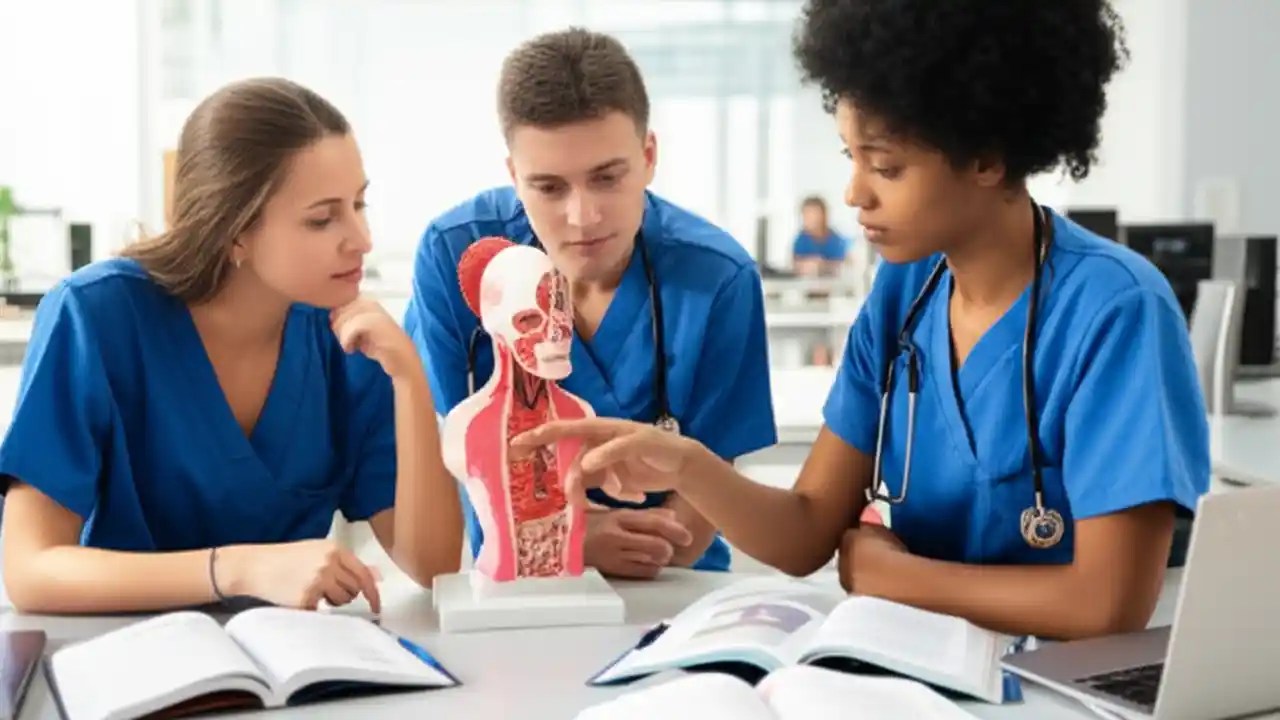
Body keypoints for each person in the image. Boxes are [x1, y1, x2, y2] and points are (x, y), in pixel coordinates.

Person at [512, 0, 1211, 640]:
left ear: (988, 157)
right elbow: (807, 533)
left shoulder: (1116, 311)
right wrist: (686, 464)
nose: (853, 193)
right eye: (852, 158)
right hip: (917, 670)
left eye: (887, 166)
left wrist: (896, 578)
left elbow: (1107, 604)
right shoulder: (905, 292)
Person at [0, 78, 462, 614]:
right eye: (322, 218)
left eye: (360, 204)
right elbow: (30, 570)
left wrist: (408, 377)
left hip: (288, 669)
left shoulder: (351, 342)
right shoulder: (95, 316)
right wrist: (239, 568)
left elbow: (434, 567)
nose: (361, 239)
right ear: (234, 231)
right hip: (112, 657)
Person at [404, 27, 777, 579]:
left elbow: (696, 517)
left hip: (671, 585)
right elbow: (460, 457)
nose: (583, 217)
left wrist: (581, 536)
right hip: (512, 581)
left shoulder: (717, 278)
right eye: (549, 188)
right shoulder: (457, 256)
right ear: (513, 176)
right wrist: (570, 537)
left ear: (648, 157)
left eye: (607, 178)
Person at [791, 195, 850, 277]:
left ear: (823, 216)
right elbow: (795, 265)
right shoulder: (801, 240)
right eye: (806, 215)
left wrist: (821, 265)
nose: (809, 219)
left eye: (813, 214)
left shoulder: (835, 240)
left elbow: (843, 265)